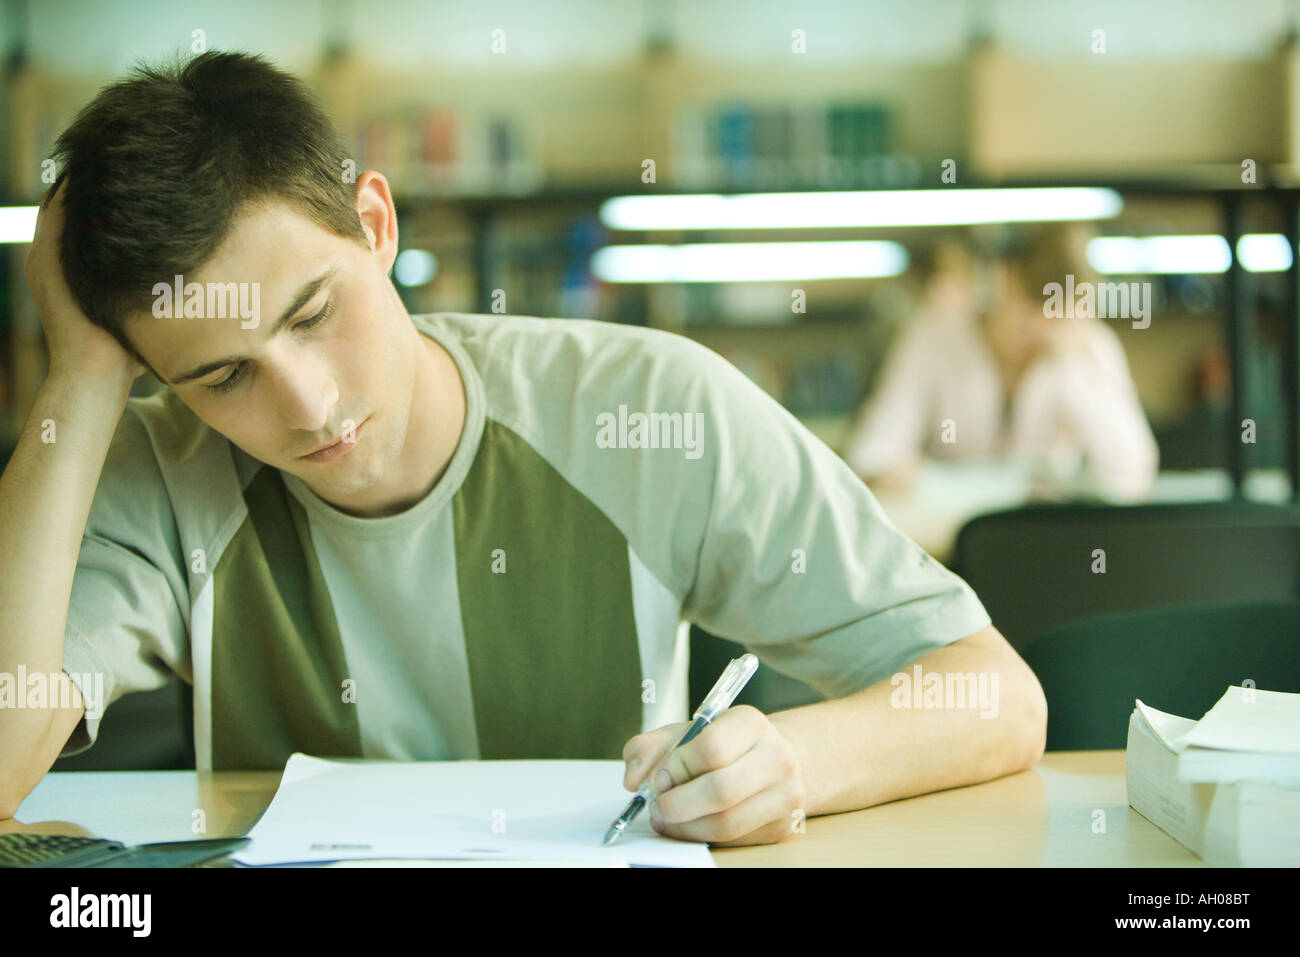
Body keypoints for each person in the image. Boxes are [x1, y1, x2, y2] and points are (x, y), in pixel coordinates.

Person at [0, 50, 1046, 847]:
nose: (309, 406)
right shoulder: (152, 472)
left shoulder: (650, 407)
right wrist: (80, 380)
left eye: (314, 313)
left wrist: (797, 757)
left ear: (375, 224)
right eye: (222, 376)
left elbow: (995, 694)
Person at [844, 226, 1159, 501]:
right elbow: (872, 453)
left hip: (1044, 538)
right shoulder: (936, 336)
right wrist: (892, 472)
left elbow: (1131, 472)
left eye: (1056, 315)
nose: (1040, 329)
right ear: (1005, 278)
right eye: (1031, 307)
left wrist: (1069, 368)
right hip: (949, 544)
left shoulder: (1090, 350)